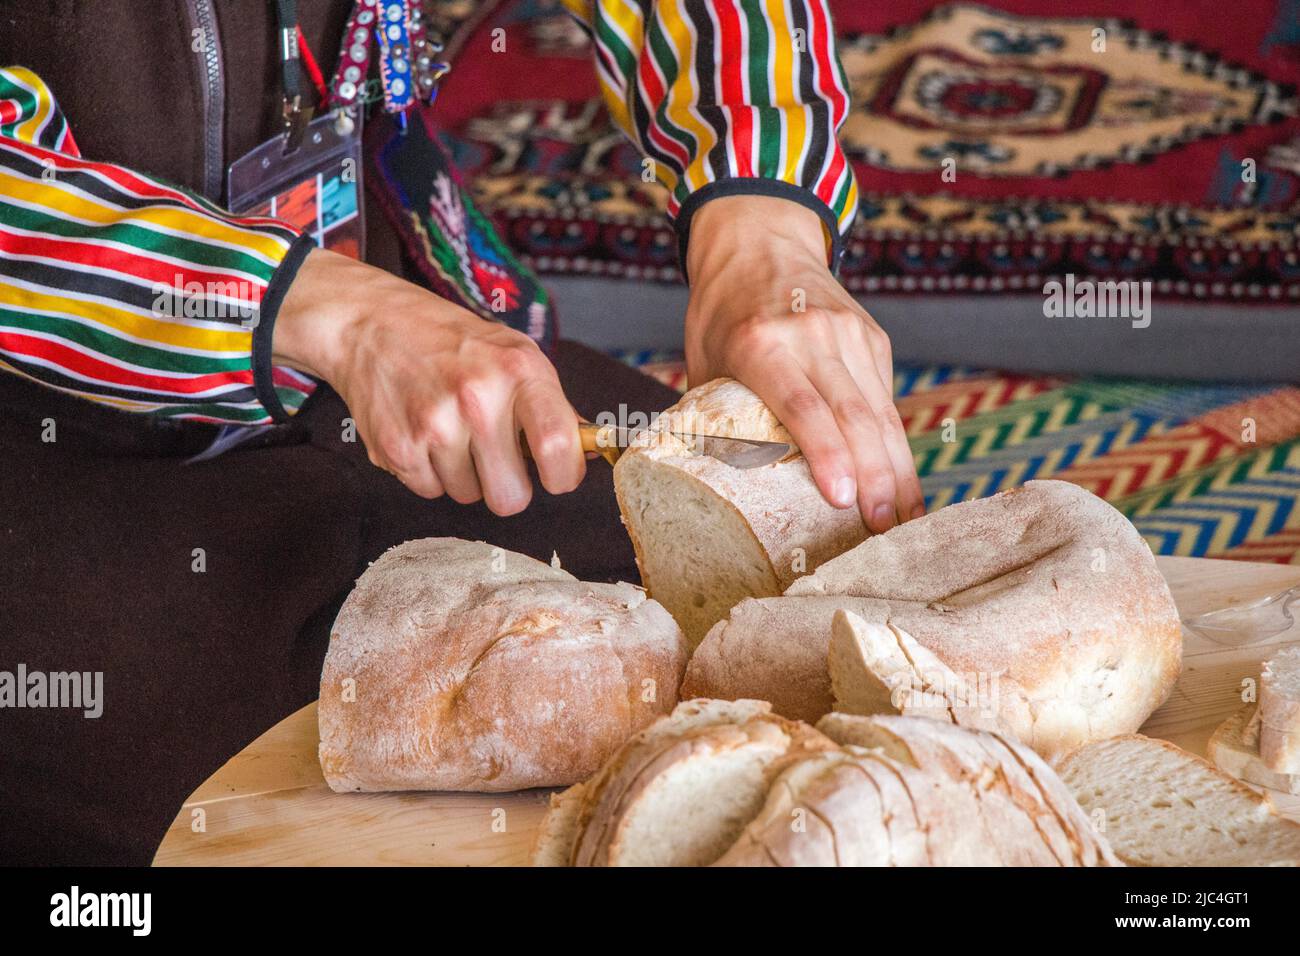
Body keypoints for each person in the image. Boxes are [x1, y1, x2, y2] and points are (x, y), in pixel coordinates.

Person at [0, 0, 920, 864]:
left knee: (805, 682)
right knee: (268, 830)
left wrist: (758, 238)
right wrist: (323, 313)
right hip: (52, 446)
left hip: (410, 339)